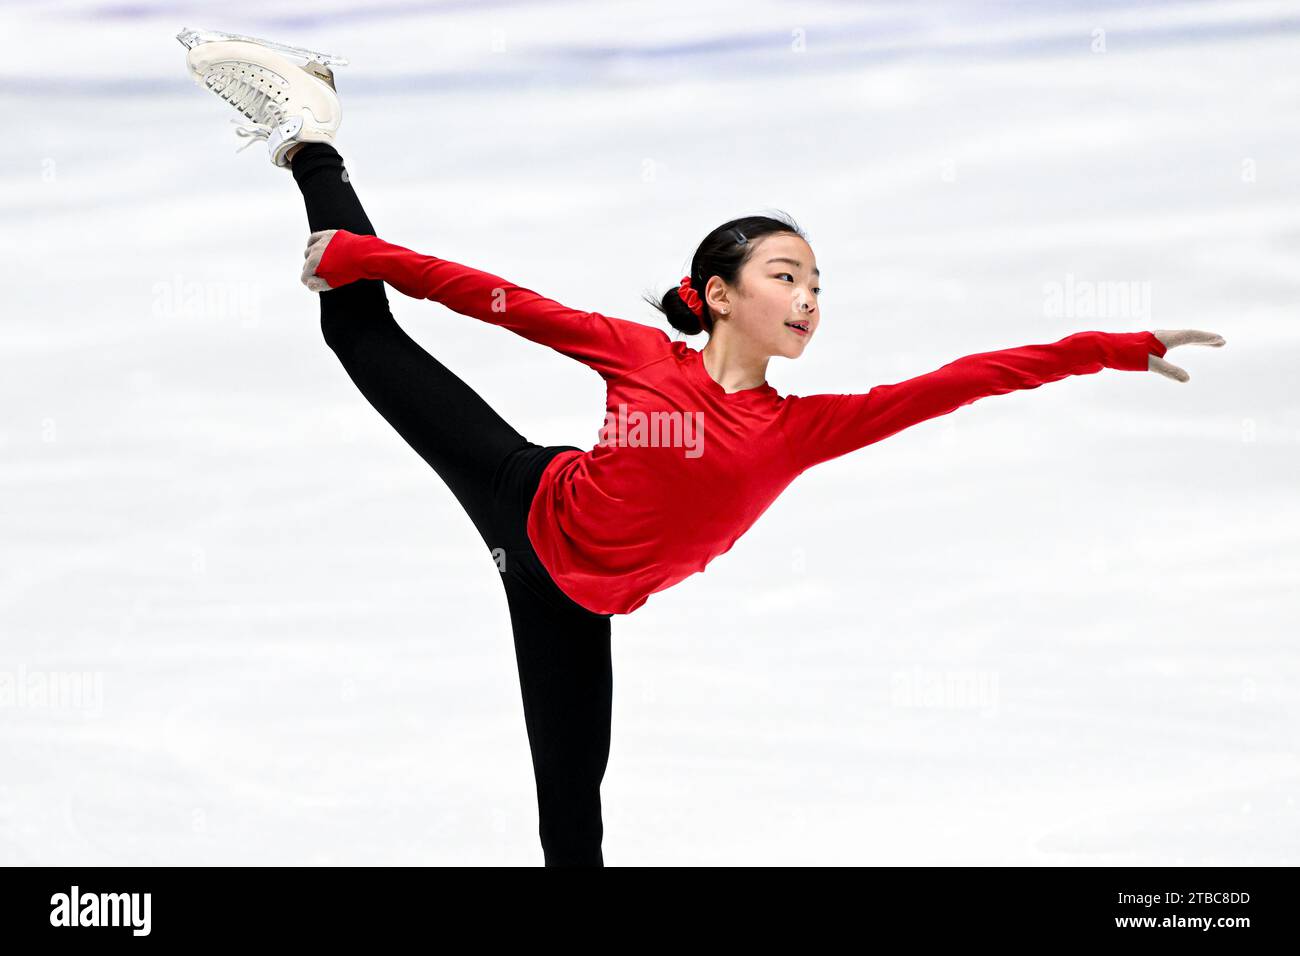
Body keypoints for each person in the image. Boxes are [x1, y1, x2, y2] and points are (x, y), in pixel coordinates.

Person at [178, 28, 1226, 867]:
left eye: (817, 283)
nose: (807, 297)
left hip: (573, 601)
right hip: (525, 499)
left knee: (569, 821)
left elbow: (967, 379)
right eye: (785, 275)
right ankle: (313, 136)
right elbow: (503, 302)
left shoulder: (810, 426)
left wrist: (1116, 347)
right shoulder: (641, 358)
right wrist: (367, 254)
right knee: (354, 325)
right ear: (719, 295)